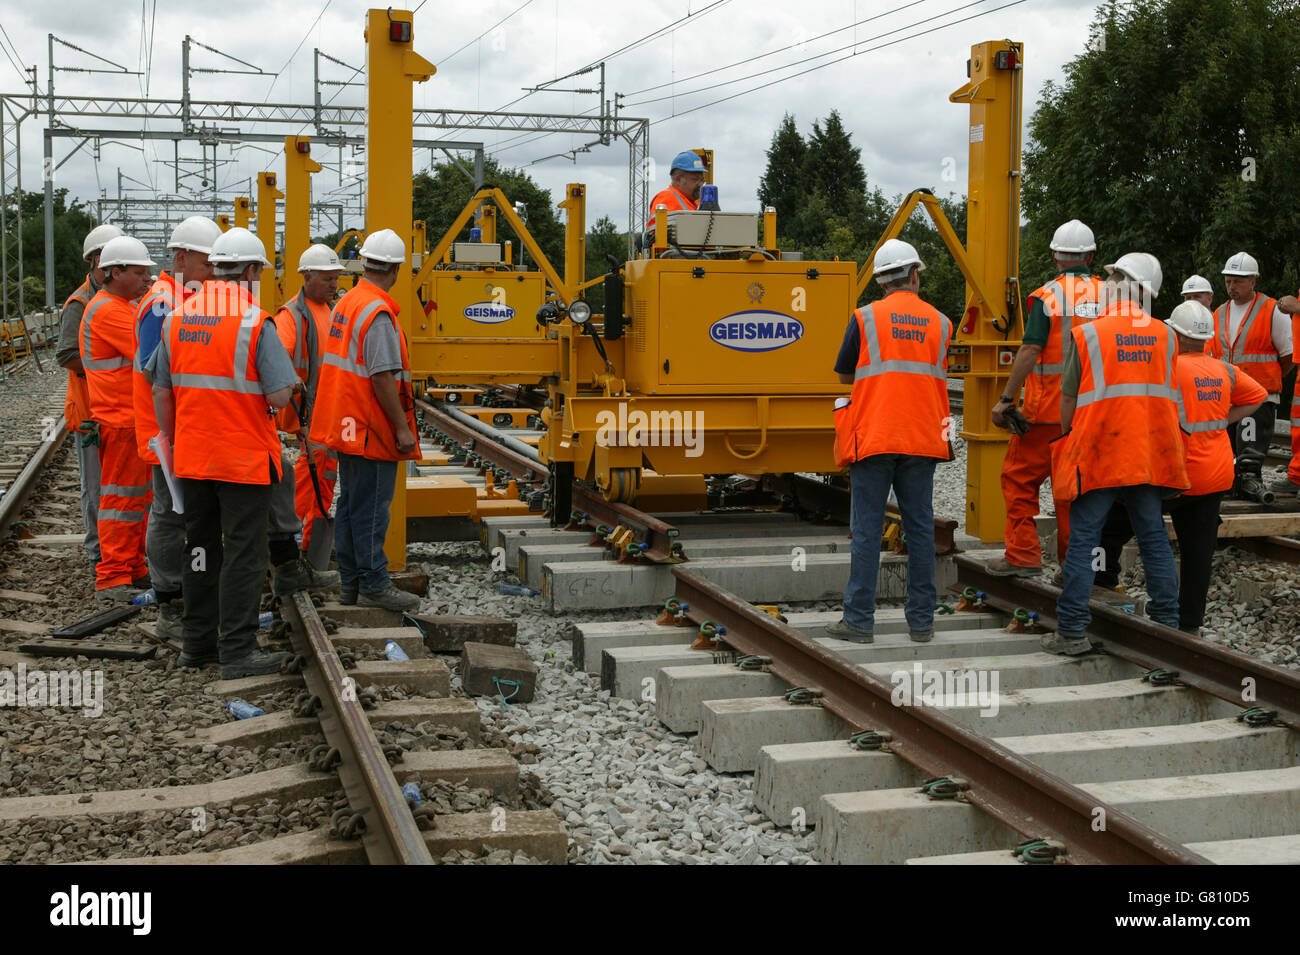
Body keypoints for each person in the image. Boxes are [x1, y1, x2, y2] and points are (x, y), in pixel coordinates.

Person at [149, 227, 298, 678]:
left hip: (193, 459)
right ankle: (237, 651)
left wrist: (176, 439)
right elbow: (279, 398)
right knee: (243, 553)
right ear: (251, 270)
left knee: (199, 547)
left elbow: (160, 390)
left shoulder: (178, 317)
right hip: (243, 461)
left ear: (215, 267)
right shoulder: (256, 321)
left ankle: (196, 644)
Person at [1091, 302, 1265, 634]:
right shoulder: (1224, 369)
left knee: (1110, 528)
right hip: (1214, 476)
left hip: (1174, 474)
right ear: (1205, 339)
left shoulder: (1167, 368)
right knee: (1198, 554)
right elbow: (1257, 396)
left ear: (1176, 333)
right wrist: (1223, 421)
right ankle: (1189, 626)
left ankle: (1103, 583)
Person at [1046, 252, 1188, 654]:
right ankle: (1168, 629)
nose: (1104, 284)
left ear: (1124, 283)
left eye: (1110, 279)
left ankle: (1072, 631)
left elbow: (1068, 402)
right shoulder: (1167, 336)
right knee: (1154, 539)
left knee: (1085, 540)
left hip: (1099, 452)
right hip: (1148, 454)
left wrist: (1068, 439)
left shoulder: (1090, 333)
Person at [828, 239, 951, 644]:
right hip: (922, 437)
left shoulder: (864, 318)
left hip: (875, 435)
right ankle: (921, 623)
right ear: (914, 274)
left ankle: (859, 622)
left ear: (881, 280)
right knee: (919, 530)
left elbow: (846, 375)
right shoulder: (941, 322)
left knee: (866, 530)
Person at [309, 229, 422, 612]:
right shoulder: (377, 312)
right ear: (394, 269)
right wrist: (403, 429)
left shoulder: (347, 303)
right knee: (372, 506)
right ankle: (375, 583)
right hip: (371, 426)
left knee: (351, 504)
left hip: (347, 422)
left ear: (365, 263)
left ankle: (351, 585)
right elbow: (382, 376)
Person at [989, 219, 1104, 576]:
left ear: (1056, 256)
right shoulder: (1113, 296)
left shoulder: (1047, 296)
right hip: (1092, 413)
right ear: (1090, 255)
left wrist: (1006, 399)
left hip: (1047, 413)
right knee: (1073, 491)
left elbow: (1030, 350)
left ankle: (1023, 556)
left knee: (1019, 481)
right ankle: (1075, 568)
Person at [135, 216, 221, 639]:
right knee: (169, 514)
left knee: (185, 514)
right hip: (166, 430)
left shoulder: (182, 297)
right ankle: (168, 603)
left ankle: (187, 592)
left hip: (184, 429)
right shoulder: (162, 302)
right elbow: (157, 375)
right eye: (208, 265)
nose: (213, 274)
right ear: (182, 257)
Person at [81, 236, 155, 601]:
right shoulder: (110, 311)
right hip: (121, 419)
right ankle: (112, 576)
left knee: (137, 499)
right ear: (114, 272)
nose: (147, 280)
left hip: (130, 419)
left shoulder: (120, 306)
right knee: (122, 500)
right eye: (140, 273)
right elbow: (152, 353)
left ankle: (134, 567)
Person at [56, 223, 122, 566]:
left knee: (121, 486)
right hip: (90, 412)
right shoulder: (79, 303)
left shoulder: (124, 298)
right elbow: (66, 354)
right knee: (96, 488)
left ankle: (120, 548)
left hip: (116, 409)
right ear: (95, 261)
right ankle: (98, 551)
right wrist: (106, 366)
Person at [275, 244, 343, 570]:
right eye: (327, 278)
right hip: (306, 418)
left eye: (336, 278)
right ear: (307, 276)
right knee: (309, 480)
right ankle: (301, 544)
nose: (334, 284)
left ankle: (312, 538)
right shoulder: (291, 316)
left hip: (327, 415)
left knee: (324, 479)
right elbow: (276, 356)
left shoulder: (332, 311)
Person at [1206, 252, 1295, 499]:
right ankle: (1230, 485)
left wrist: (1269, 380)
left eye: (1238, 281)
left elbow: (1287, 356)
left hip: (1260, 397)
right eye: (1228, 282)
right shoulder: (1219, 313)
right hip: (1227, 398)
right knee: (1227, 452)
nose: (1232, 287)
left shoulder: (1271, 309)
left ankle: (1248, 482)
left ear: (1253, 281)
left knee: (1249, 454)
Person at [645, 151, 707, 229]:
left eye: (702, 180)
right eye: (695, 179)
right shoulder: (667, 198)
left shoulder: (692, 203)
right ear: (678, 180)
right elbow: (657, 237)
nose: (700, 184)